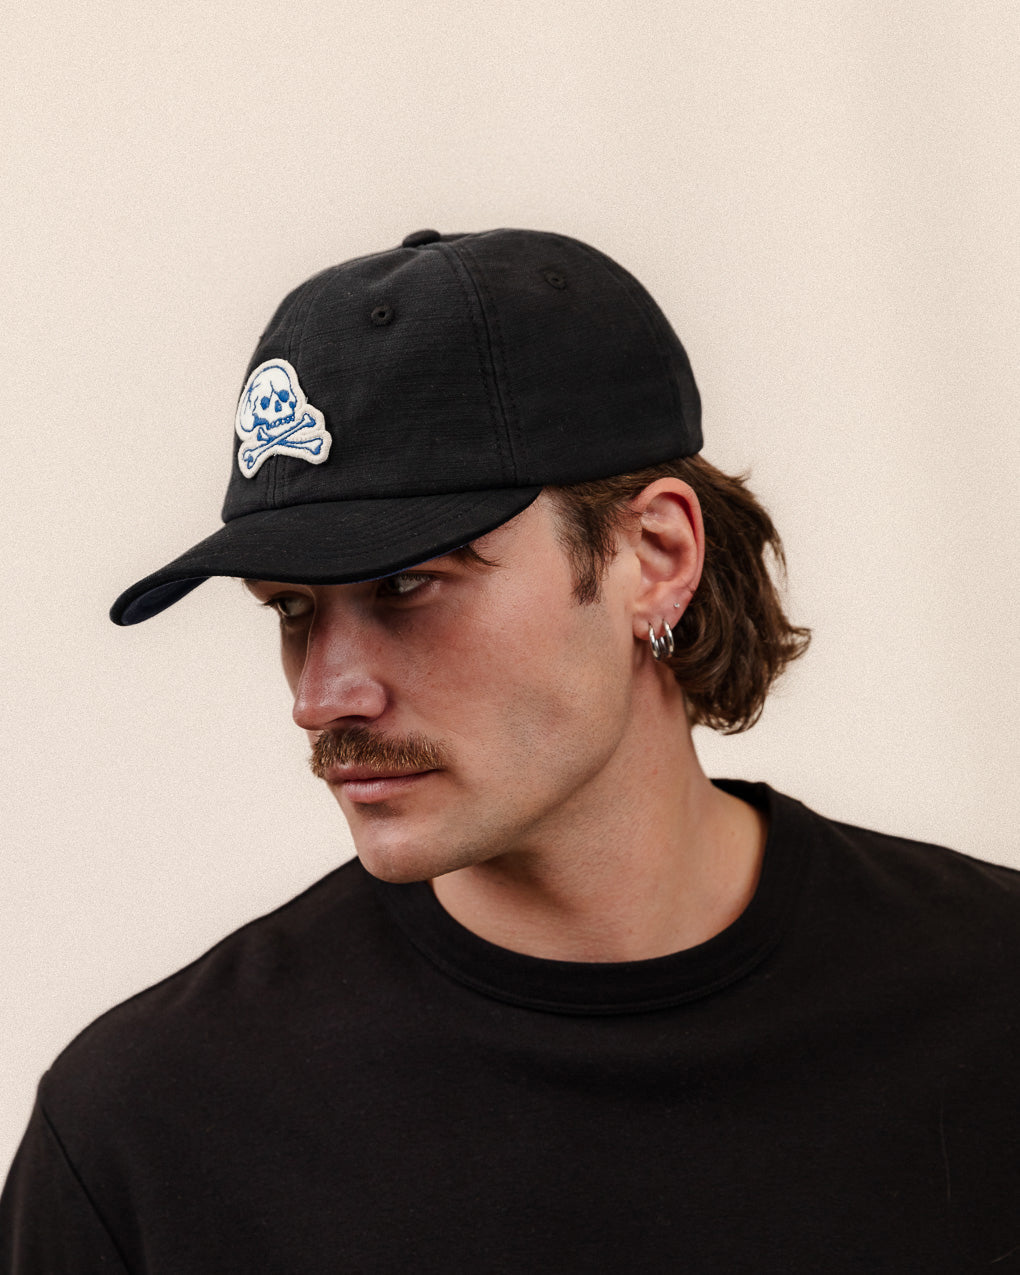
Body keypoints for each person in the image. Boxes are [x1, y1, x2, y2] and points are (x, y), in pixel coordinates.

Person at [2, 228, 1017, 1273]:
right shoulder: (149, 1132)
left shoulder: (988, 1001)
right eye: (292, 608)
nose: (322, 698)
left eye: (405, 585)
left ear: (653, 556)